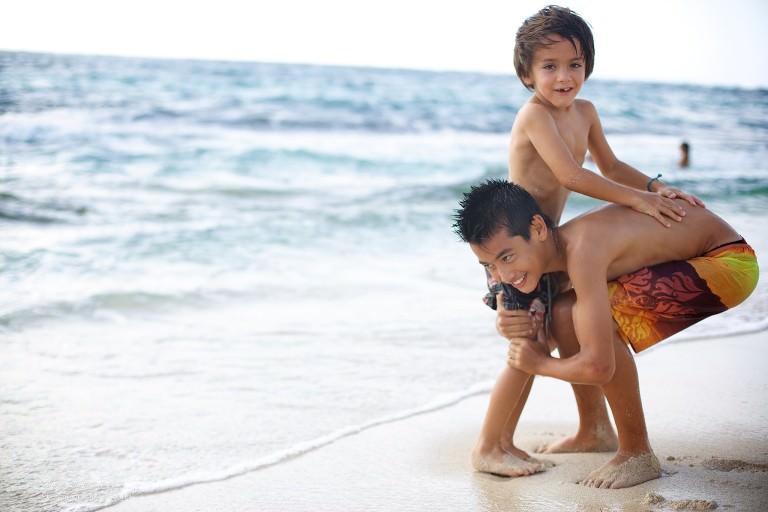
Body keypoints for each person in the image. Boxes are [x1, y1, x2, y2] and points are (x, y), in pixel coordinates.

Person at [476, 4, 704, 477]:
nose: (565, 77)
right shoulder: (534, 115)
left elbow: (612, 167)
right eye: (550, 66)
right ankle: (491, 445)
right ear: (526, 74)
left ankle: (594, 430)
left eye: (575, 64)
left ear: (589, 66)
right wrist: (637, 204)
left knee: (553, 330)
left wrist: (656, 189)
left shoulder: (585, 112)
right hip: (519, 252)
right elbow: (571, 175)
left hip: (546, 251)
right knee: (525, 350)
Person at [454, 179, 758, 488]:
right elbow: (546, 314)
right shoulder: (560, 251)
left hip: (730, 263)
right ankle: (594, 430)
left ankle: (637, 453)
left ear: (538, 228)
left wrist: (540, 365)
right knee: (563, 311)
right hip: (701, 256)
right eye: (489, 266)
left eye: (507, 257)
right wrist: (506, 315)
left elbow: (599, 366)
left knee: (603, 314)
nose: (503, 275)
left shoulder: (583, 250)